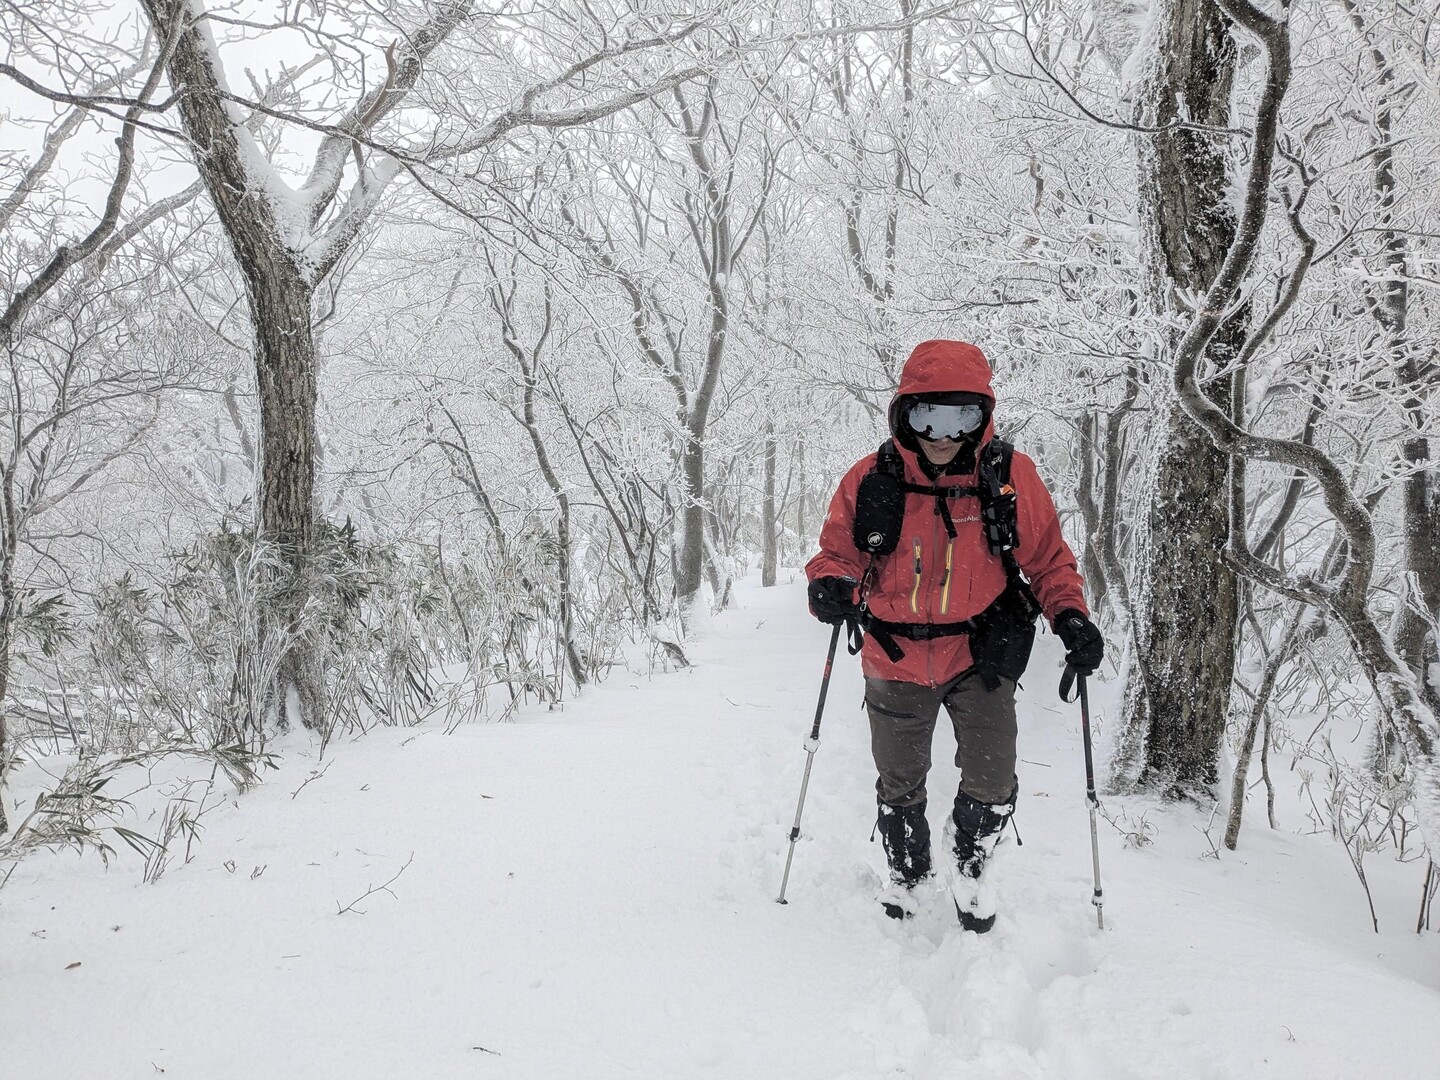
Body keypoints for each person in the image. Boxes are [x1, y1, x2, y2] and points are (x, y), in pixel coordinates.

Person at [804, 339, 1102, 932]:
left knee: (994, 779)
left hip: (979, 653)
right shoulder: (870, 480)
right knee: (900, 779)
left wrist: (1069, 615)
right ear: (903, 415)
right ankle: (908, 870)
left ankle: (972, 858)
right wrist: (830, 584)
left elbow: (1047, 559)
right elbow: (837, 552)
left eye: (962, 417)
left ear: (983, 417)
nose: (944, 434)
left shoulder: (1008, 476)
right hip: (895, 657)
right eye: (927, 416)